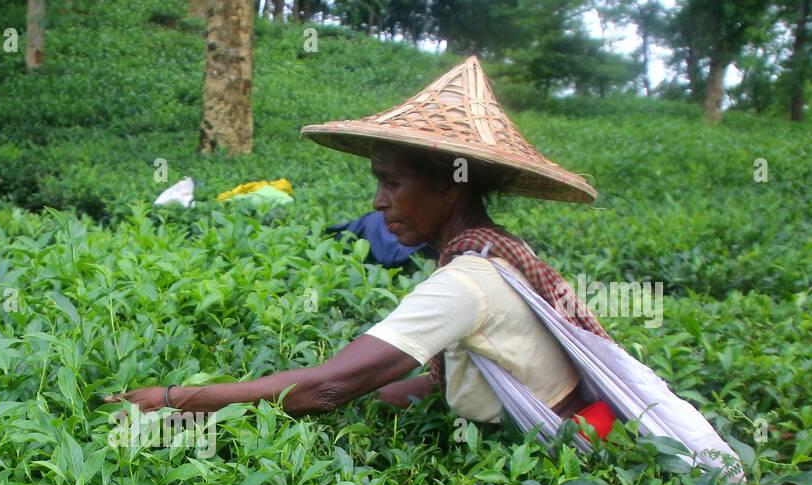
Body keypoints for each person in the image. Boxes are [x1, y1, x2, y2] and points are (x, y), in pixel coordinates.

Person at [106, 57, 618, 440]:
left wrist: (173, 399)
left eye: (392, 182)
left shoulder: (468, 282)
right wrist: (367, 403)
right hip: (568, 426)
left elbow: (324, 388)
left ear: (450, 188)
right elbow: (451, 381)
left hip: (550, 456)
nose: (378, 202)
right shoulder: (498, 252)